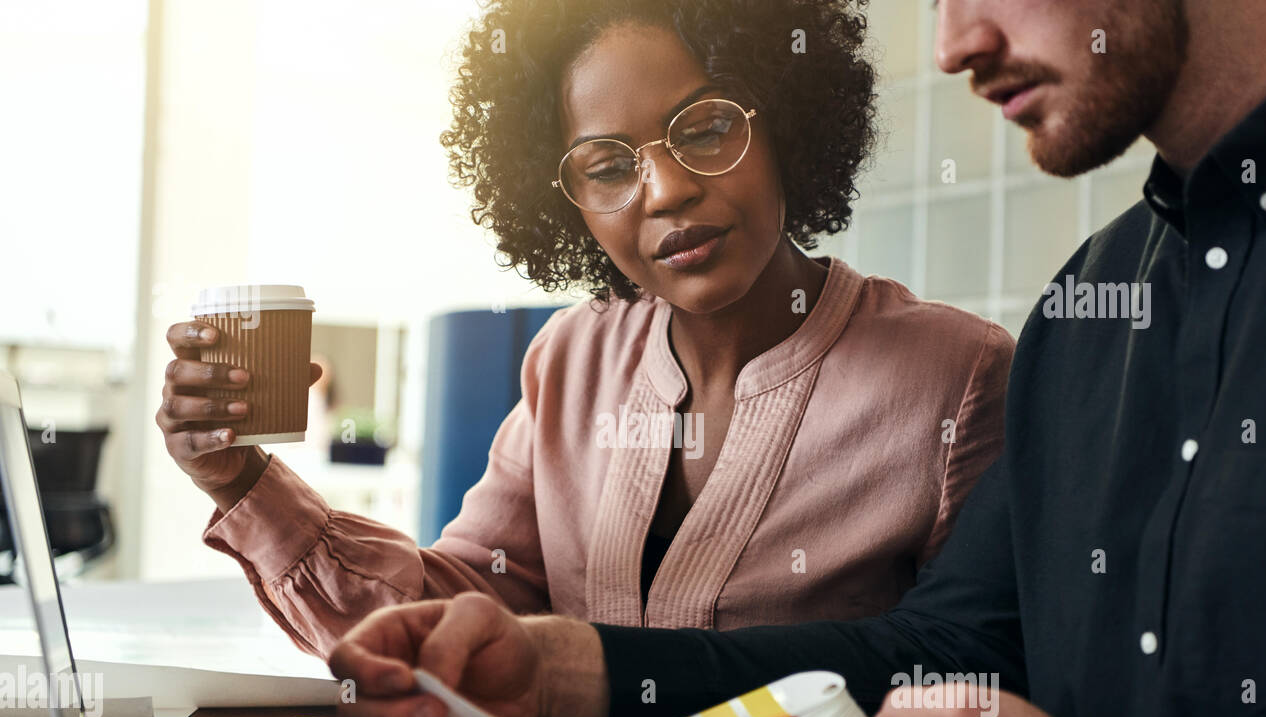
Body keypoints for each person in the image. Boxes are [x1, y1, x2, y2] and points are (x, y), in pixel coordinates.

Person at [328, 0, 1266, 717]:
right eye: (609, 164)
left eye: (708, 127)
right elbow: (947, 649)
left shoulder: (975, 365)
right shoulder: (1089, 309)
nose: (952, 44)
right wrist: (558, 671)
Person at [154, 0, 1011, 657]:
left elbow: (974, 670)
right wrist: (243, 481)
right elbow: (452, 618)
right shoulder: (570, 358)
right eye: (607, 167)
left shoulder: (959, 376)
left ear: (787, 121)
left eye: (707, 127)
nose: (666, 190)